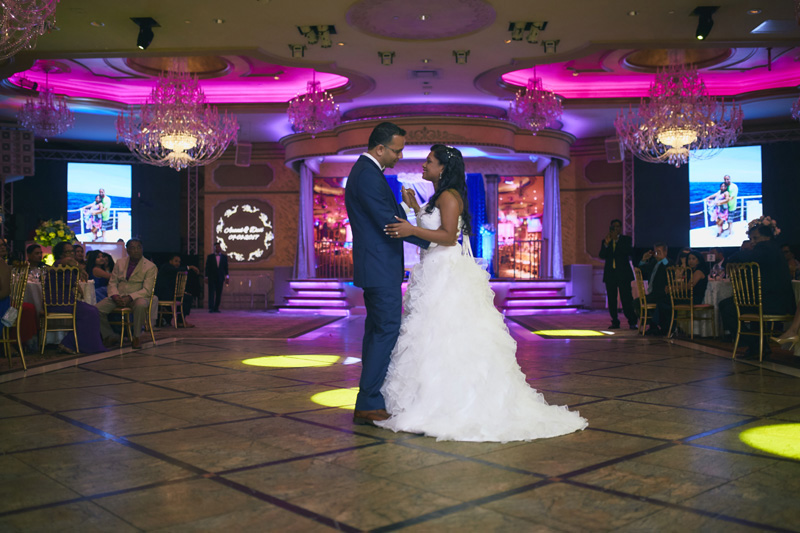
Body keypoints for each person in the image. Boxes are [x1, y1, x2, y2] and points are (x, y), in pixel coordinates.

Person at [376, 144, 587, 441]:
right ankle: (433, 399)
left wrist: (411, 229)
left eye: (429, 162)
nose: (424, 165)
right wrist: (414, 208)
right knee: (433, 337)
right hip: (433, 271)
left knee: (447, 336)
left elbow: (448, 237)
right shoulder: (440, 196)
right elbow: (438, 227)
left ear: (443, 169)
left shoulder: (450, 196)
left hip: (446, 273)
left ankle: (452, 404)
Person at [344, 122, 431, 426]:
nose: (400, 155)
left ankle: (371, 397)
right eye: (396, 150)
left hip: (378, 266)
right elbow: (388, 222)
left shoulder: (369, 173)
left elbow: (391, 217)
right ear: (380, 148)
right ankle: (368, 402)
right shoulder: (367, 175)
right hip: (379, 267)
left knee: (377, 332)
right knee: (386, 330)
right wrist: (434, 241)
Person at [720, 221, 796, 358]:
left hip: (773, 302)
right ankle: (759, 345)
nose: (752, 242)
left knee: (727, 308)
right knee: (731, 305)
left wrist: (733, 257)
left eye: (755, 238)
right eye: (751, 239)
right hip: (774, 299)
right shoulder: (772, 249)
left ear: (767, 238)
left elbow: (746, 257)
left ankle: (753, 343)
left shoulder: (766, 248)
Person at [96, 239, 157, 349]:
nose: (136, 250)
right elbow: (112, 282)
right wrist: (114, 295)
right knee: (96, 310)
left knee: (141, 305)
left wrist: (130, 297)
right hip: (119, 295)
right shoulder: (120, 262)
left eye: (139, 247)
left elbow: (147, 290)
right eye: (133, 248)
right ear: (127, 250)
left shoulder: (150, 266)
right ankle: (110, 335)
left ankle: (137, 336)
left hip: (137, 296)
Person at [48, 242, 106, 355]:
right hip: (59, 303)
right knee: (90, 312)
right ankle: (68, 343)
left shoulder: (69, 267)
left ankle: (76, 343)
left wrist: (76, 285)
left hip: (68, 301)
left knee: (93, 310)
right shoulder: (59, 264)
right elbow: (67, 261)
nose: (71, 254)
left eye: (72, 252)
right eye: (68, 252)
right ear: (60, 254)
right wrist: (80, 268)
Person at [598, 219, 637, 330]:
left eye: (618, 226)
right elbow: (602, 255)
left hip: (623, 274)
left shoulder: (626, 240)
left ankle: (632, 321)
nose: (616, 229)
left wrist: (616, 241)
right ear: (610, 228)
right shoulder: (606, 241)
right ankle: (615, 321)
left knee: (626, 299)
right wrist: (607, 243)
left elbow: (627, 252)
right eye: (613, 227)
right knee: (612, 299)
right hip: (611, 275)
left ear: (621, 228)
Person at [638, 243, 671, 335]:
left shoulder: (667, 262)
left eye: (659, 252)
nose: (657, 254)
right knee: (637, 303)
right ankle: (652, 325)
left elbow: (669, 267)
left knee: (656, 304)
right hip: (653, 293)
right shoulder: (654, 263)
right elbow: (642, 269)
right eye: (656, 252)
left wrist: (663, 258)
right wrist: (644, 260)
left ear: (665, 252)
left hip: (661, 293)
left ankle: (654, 325)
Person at [156, 254, 194, 328]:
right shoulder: (166, 267)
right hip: (163, 295)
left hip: (168, 293)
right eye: (176, 261)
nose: (178, 263)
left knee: (187, 297)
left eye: (179, 262)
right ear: (170, 261)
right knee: (187, 298)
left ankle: (180, 320)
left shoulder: (172, 270)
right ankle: (180, 321)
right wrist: (189, 267)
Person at [205, 242, 228, 313]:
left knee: (219, 293)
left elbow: (226, 268)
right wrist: (206, 277)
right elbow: (207, 267)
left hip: (220, 277)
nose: (218, 248)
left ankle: (216, 307)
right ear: (214, 248)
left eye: (219, 247)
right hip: (212, 277)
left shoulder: (224, 257)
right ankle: (211, 308)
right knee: (211, 293)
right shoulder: (210, 257)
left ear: (220, 248)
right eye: (216, 247)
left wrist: (227, 276)